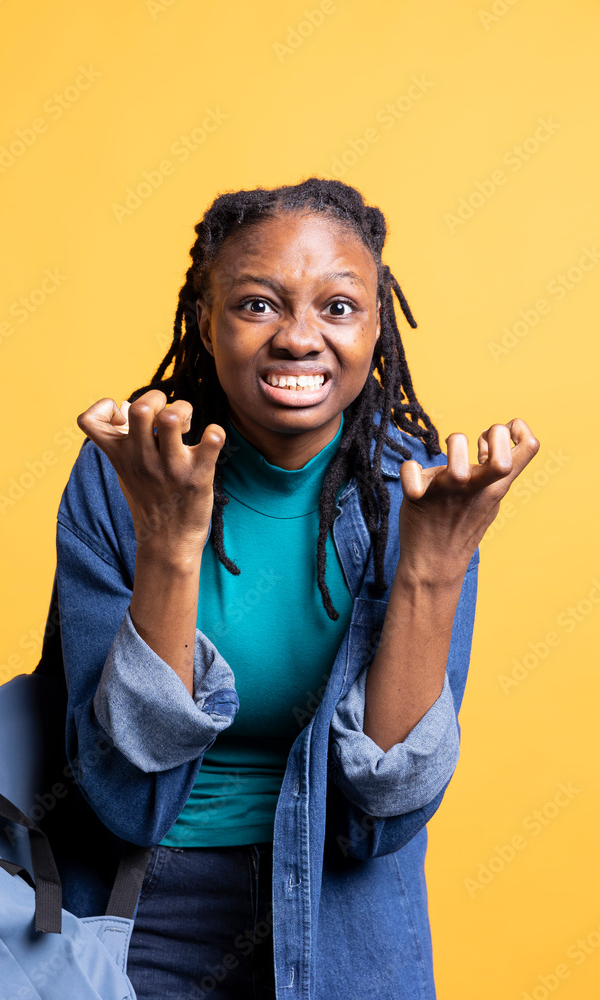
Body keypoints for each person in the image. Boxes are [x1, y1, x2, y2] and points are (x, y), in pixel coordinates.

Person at [51, 176, 539, 999]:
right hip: (132, 909)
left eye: (338, 307)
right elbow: (122, 793)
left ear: (377, 327)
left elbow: (382, 812)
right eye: (257, 305)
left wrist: (432, 565)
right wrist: (170, 544)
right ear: (206, 323)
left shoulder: (418, 496)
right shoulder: (124, 477)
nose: (299, 338)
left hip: (342, 913)